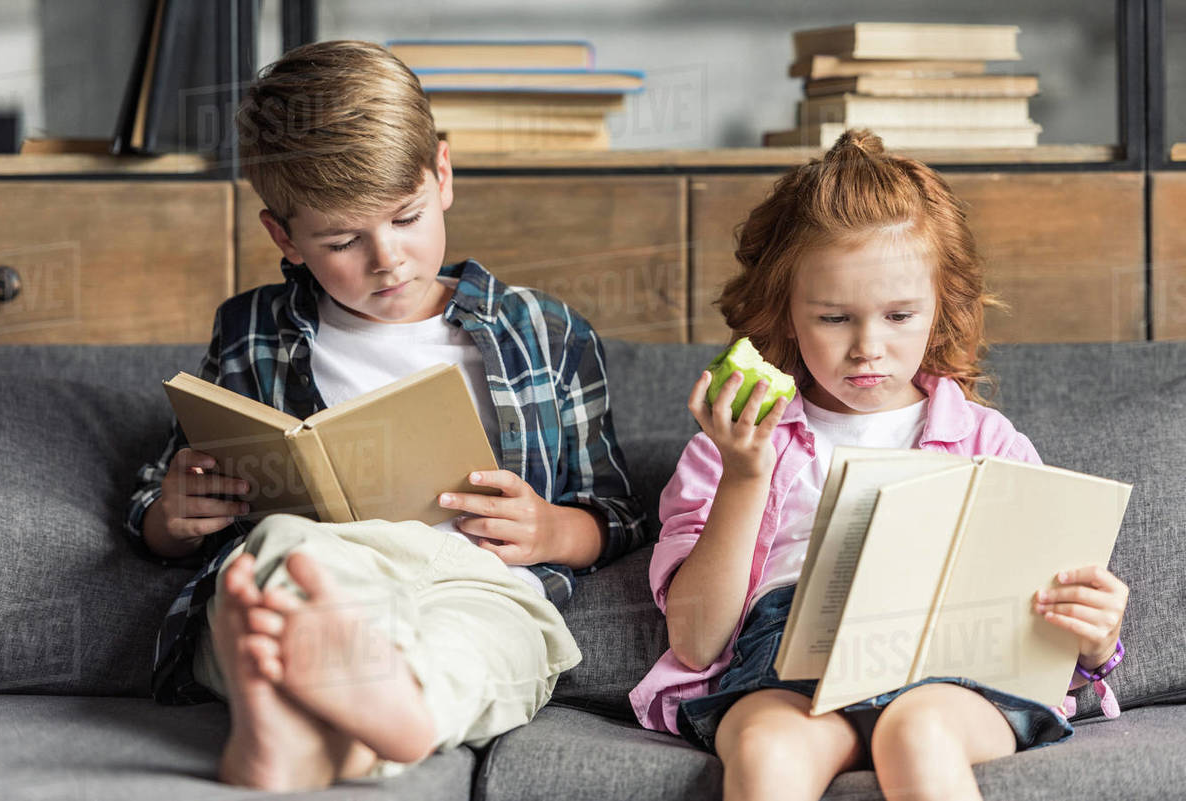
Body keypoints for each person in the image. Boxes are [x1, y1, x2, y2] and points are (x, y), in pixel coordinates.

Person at [124, 40, 646, 791]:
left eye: (407, 217)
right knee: (276, 553)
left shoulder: (546, 331)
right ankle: (322, 708)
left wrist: (554, 529)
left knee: (492, 635)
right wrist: (174, 514)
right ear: (285, 237)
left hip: (474, 577)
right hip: (326, 566)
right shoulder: (249, 333)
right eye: (342, 240)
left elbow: (620, 511)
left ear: (442, 174)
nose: (389, 259)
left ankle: (349, 714)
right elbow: (154, 500)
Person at [629, 129, 1130, 801]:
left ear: (940, 307)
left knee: (916, 733)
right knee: (767, 749)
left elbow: (1047, 628)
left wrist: (1097, 639)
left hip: (952, 672)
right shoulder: (734, 444)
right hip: (785, 667)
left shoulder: (988, 439)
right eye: (834, 317)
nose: (869, 347)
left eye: (899, 314)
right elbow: (695, 642)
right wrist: (746, 475)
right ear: (787, 312)